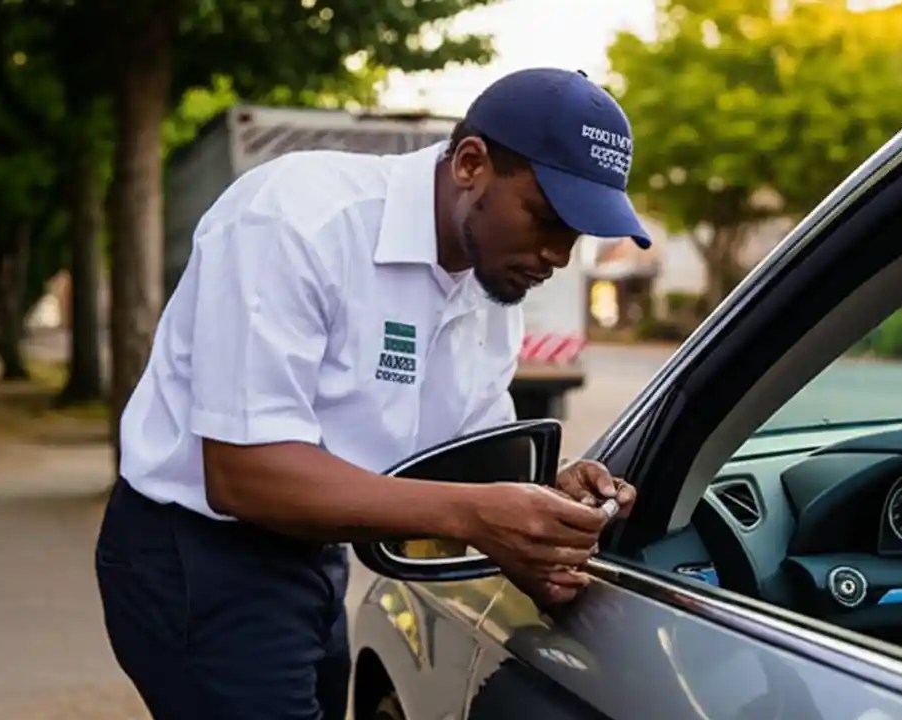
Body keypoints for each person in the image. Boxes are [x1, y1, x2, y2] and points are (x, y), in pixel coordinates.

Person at [94, 67, 648, 720]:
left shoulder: (490, 292)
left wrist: (549, 497)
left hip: (316, 554)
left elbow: (466, 462)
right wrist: (478, 516)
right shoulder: (296, 220)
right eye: (546, 218)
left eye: (577, 234)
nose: (558, 254)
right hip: (198, 560)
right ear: (471, 163)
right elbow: (244, 474)